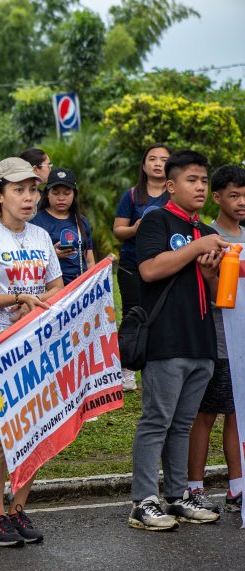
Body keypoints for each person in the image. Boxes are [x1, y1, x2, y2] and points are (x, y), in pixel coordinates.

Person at [0, 158, 64, 546]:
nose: (29, 197)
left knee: (32, 434)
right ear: (0, 194)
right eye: (19, 190)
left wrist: (36, 303)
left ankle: (19, 508)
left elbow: (57, 286)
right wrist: (18, 298)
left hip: (34, 347)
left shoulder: (41, 237)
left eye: (33, 190)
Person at [127, 150, 224, 531]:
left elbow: (216, 295)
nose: (200, 187)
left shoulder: (205, 230)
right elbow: (149, 270)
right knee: (157, 420)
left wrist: (211, 272)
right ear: (170, 185)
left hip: (201, 340)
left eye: (204, 181)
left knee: (182, 424)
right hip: (166, 340)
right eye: (191, 180)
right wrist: (196, 248)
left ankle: (177, 495)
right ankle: (143, 501)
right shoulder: (157, 220)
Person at [186, 164, 245, 513]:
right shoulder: (208, 237)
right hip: (219, 338)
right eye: (234, 195)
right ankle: (194, 486)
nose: (241, 202)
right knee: (206, 414)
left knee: (238, 414)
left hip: (243, 342)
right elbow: (210, 292)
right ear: (217, 197)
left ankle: (237, 486)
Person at [113, 144, 172, 392]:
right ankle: (126, 369)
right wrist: (135, 228)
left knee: (162, 315)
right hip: (132, 266)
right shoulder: (132, 195)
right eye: (152, 159)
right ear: (144, 165)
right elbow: (118, 231)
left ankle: (158, 368)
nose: (158, 164)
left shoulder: (175, 195)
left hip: (166, 265)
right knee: (132, 314)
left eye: (164, 159)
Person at [35, 168, 95, 285]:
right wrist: (52, 255)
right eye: (55, 193)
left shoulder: (81, 221)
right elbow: (26, 261)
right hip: (50, 288)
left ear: (74, 195)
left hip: (79, 286)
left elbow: (89, 261)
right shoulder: (35, 220)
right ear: (47, 194)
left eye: (67, 193)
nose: (61, 198)